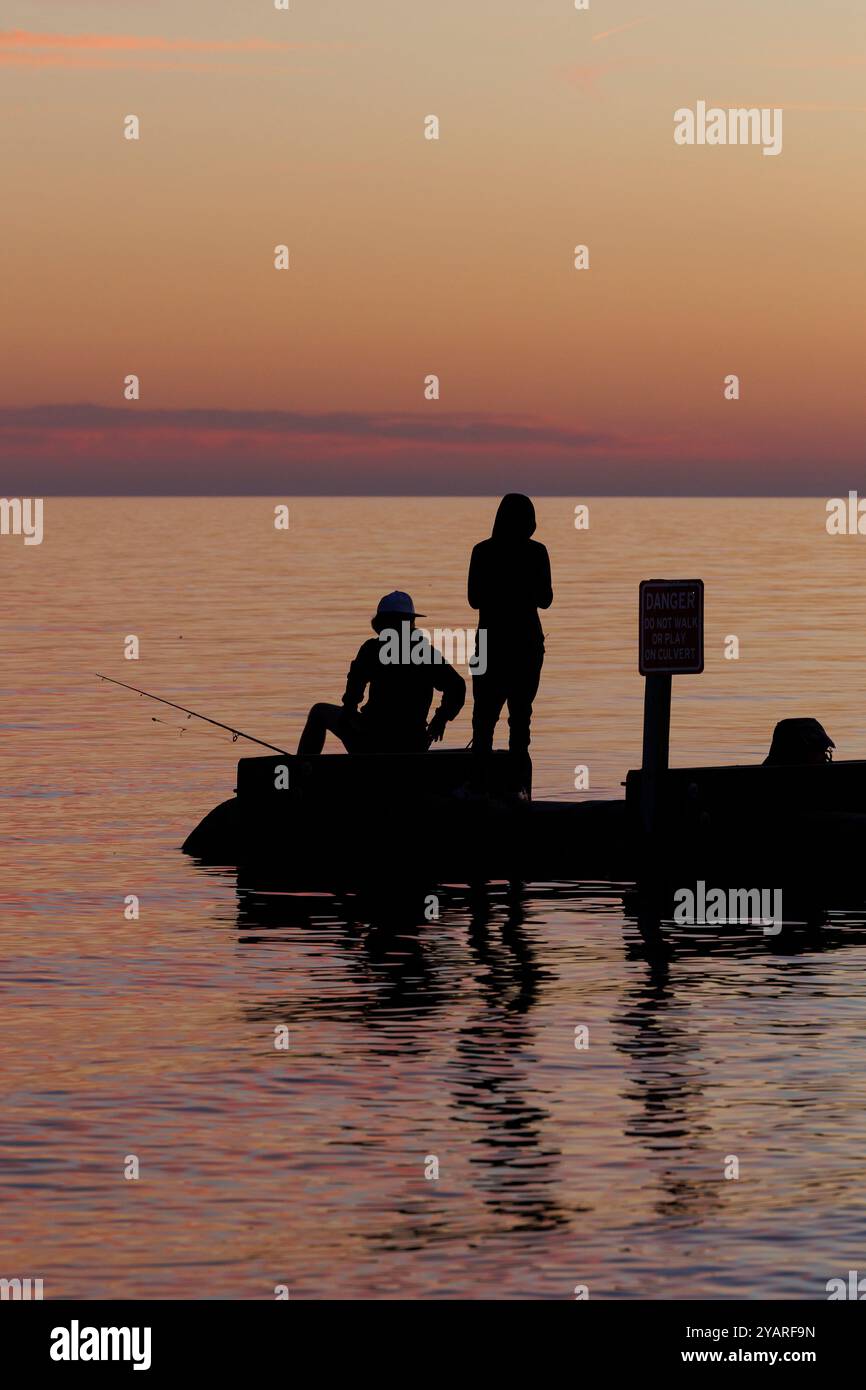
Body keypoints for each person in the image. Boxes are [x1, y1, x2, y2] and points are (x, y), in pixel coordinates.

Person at [297, 591, 465, 755]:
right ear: (411, 623)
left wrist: (348, 713)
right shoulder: (426, 654)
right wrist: (440, 719)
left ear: (380, 624)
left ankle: (302, 770)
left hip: (371, 741)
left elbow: (353, 692)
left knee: (319, 712)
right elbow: (457, 686)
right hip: (414, 744)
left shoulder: (371, 650)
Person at [468, 494, 552, 790]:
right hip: (526, 646)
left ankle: (481, 789)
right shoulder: (537, 553)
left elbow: (474, 599)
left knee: (483, 722)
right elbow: (546, 599)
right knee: (520, 722)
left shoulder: (482, 552)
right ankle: (520, 791)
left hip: (490, 646)